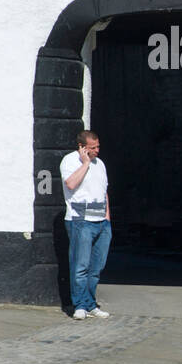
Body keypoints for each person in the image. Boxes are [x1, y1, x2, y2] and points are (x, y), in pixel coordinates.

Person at [60, 130, 111, 320]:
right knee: (80, 266)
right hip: (80, 221)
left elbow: (104, 191)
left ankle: (91, 303)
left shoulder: (101, 164)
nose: (97, 150)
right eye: (92, 148)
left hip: (101, 223)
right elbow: (71, 184)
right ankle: (79, 305)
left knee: (96, 268)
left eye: (98, 147)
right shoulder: (69, 161)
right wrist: (86, 163)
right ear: (81, 147)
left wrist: (107, 219)